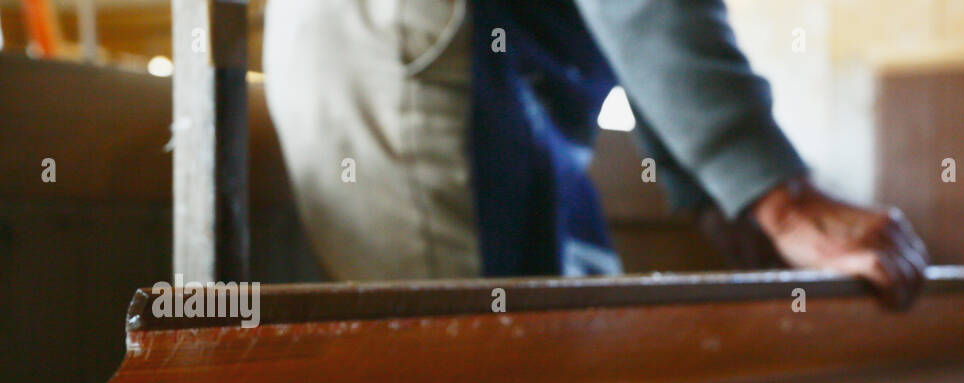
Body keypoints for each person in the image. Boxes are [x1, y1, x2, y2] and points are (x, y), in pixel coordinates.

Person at [263, 0, 929, 307]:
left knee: (536, 360)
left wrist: (708, 191)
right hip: (415, 40)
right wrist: (783, 201)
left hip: (487, 48)